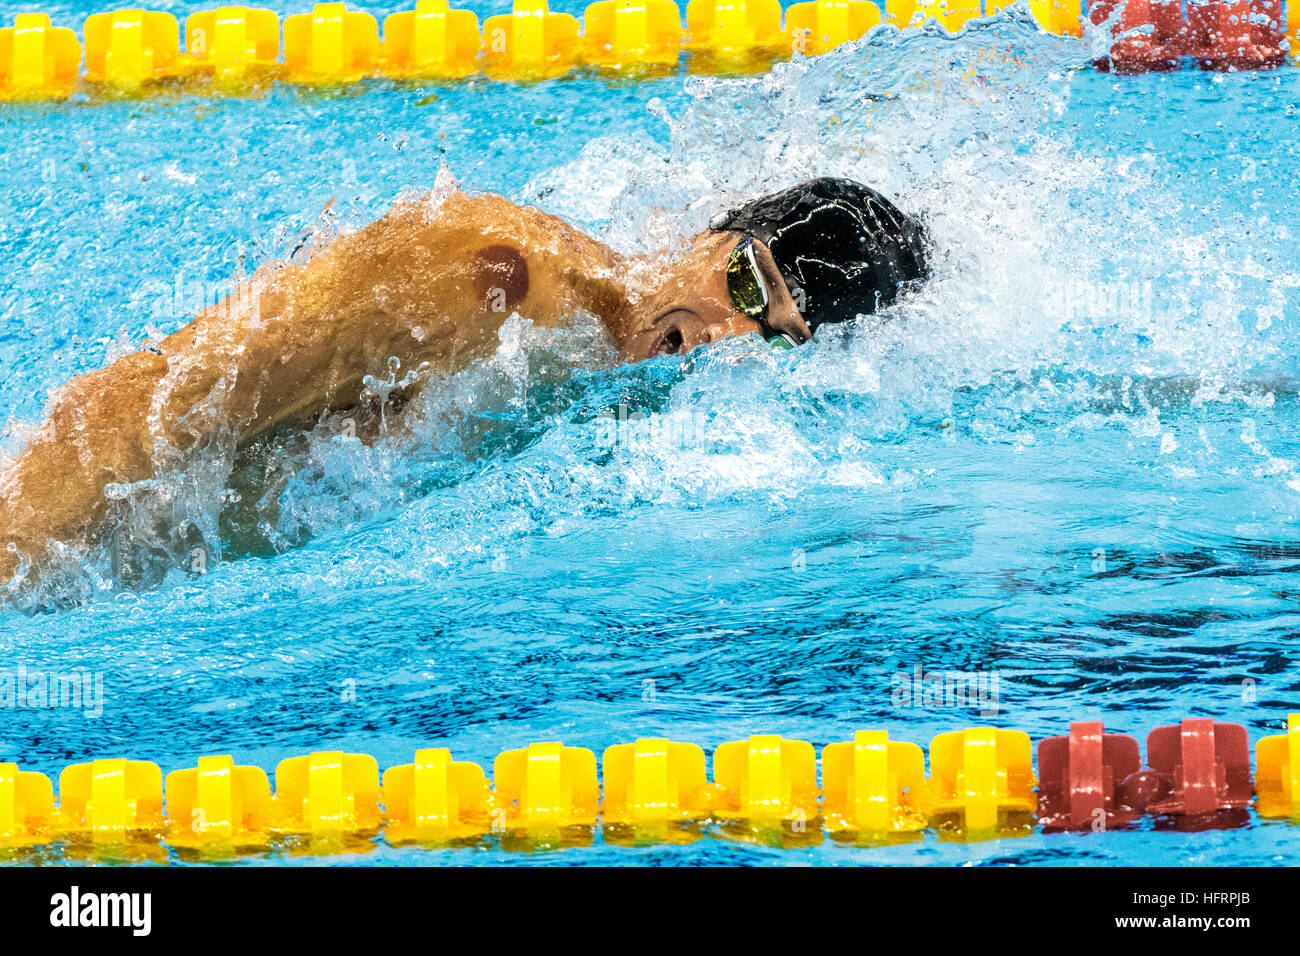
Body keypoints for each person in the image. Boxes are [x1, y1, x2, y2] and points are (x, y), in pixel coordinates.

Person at [0, 177, 929, 583]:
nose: (722, 339)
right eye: (742, 283)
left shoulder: (608, 395)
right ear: (711, 235)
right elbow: (137, 408)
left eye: (770, 339)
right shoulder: (494, 275)